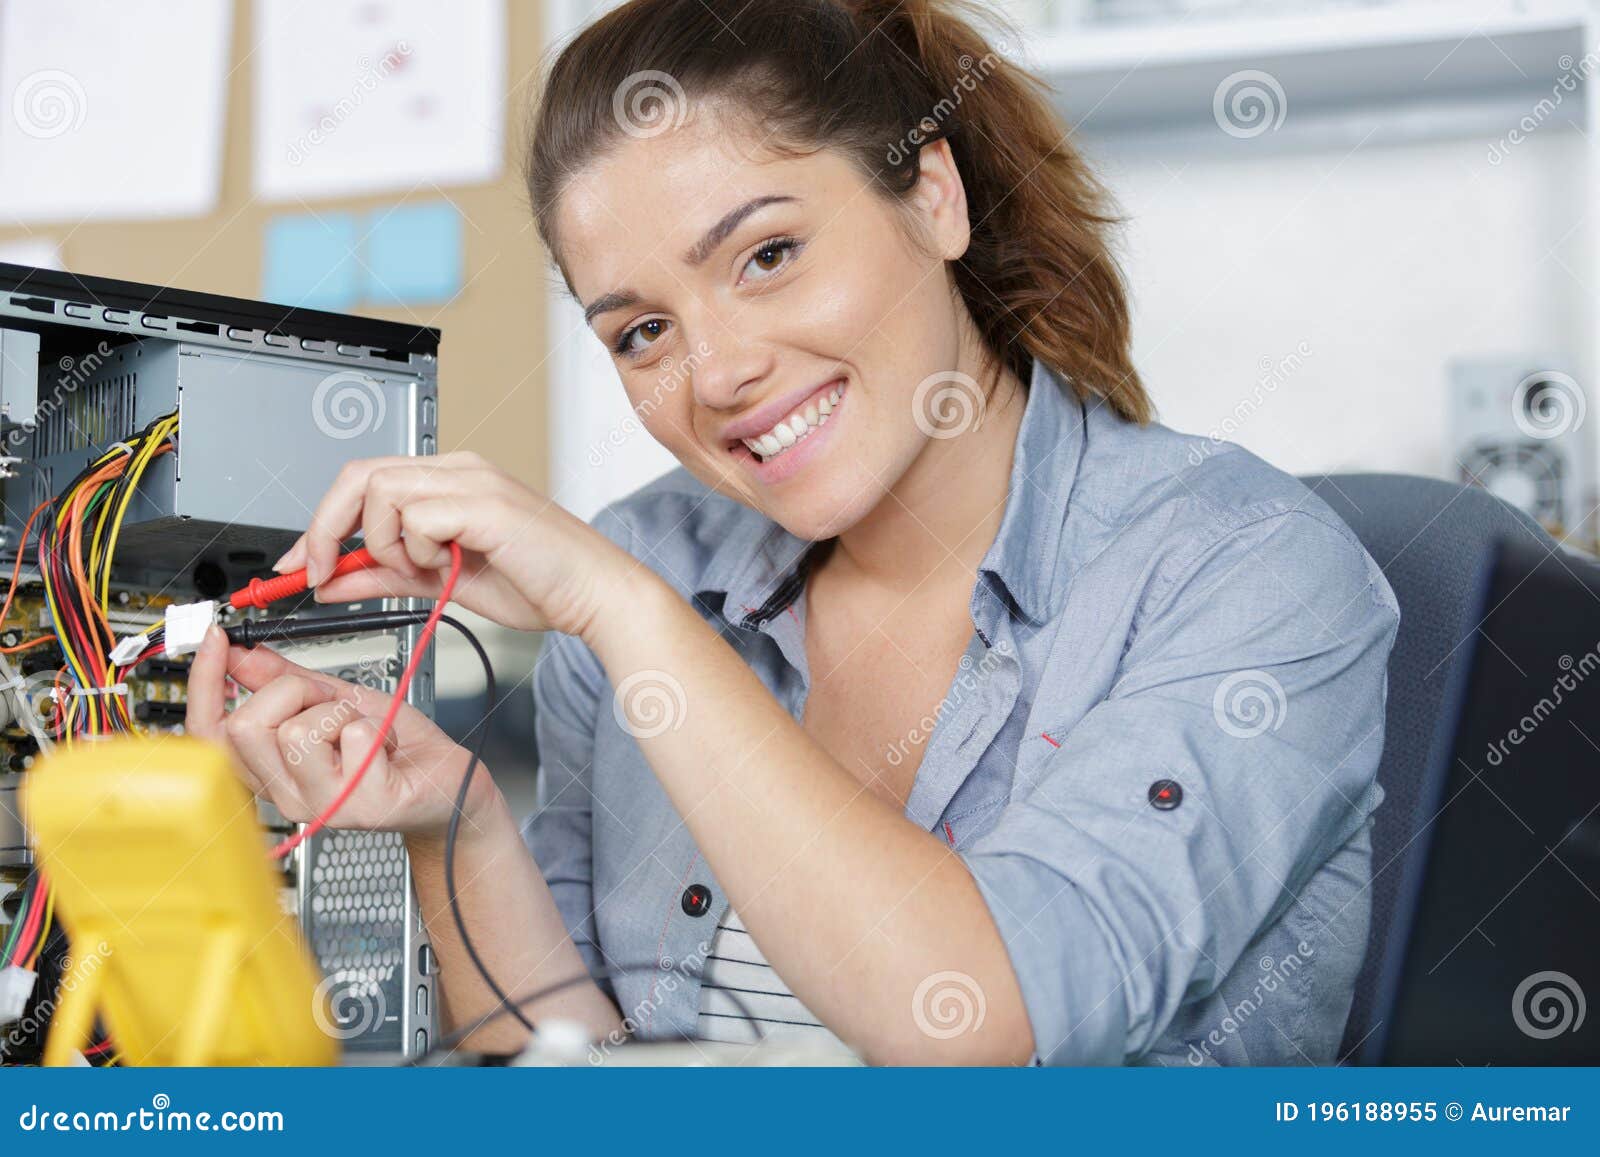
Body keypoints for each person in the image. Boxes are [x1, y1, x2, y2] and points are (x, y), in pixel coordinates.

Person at [185, 0, 1399, 1065]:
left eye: (768, 254)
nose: (716, 373)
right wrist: (455, 826)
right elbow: (577, 1076)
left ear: (932, 198)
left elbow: (980, 1018)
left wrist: (625, 614)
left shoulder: (1247, 568)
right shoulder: (657, 562)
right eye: (640, 334)